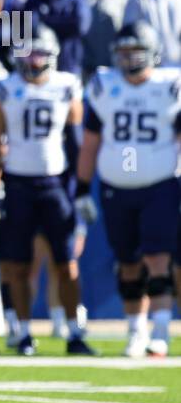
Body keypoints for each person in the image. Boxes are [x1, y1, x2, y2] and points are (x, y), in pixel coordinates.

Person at [0, 25, 94, 357]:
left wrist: (82, 190)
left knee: (66, 263)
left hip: (55, 183)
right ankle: (24, 332)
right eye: (28, 54)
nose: (33, 61)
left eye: (40, 53)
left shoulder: (66, 85)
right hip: (17, 184)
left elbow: (76, 145)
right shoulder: (6, 88)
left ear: (53, 56)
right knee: (18, 265)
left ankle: (75, 332)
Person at [76, 23, 181, 358]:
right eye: (122, 51)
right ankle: (136, 331)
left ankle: (161, 330)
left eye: (134, 51)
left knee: (158, 258)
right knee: (128, 262)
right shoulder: (104, 85)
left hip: (160, 185)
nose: (127, 58)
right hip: (115, 188)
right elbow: (90, 143)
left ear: (152, 52)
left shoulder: (170, 86)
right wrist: (81, 189)